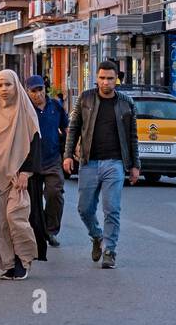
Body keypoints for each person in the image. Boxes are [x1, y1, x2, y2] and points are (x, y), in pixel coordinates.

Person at [64, 59, 140, 270]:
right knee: (84, 209)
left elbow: (133, 136)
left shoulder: (126, 103)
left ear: (117, 79)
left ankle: (110, 250)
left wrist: (135, 165)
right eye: (102, 78)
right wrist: (68, 155)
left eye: (110, 78)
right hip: (89, 162)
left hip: (115, 163)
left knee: (112, 209)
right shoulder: (85, 98)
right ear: (96, 79)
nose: (105, 83)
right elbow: (74, 128)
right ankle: (97, 236)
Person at [0, 70, 45, 280]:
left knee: (17, 218)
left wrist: (26, 171)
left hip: (20, 178)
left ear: (17, 87)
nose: (4, 89)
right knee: (1, 223)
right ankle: (8, 263)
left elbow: (35, 143)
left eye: (8, 85)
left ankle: (24, 261)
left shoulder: (26, 111)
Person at [25, 74, 69, 246]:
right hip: (31, 161)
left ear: (45, 88)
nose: (37, 94)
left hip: (52, 159)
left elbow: (66, 127)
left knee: (54, 194)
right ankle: (35, 231)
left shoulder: (55, 106)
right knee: (31, 200)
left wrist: (70, 151)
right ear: (27, 92)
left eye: (40, 89)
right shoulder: (25, 109)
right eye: (33, 91)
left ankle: (50, 230)